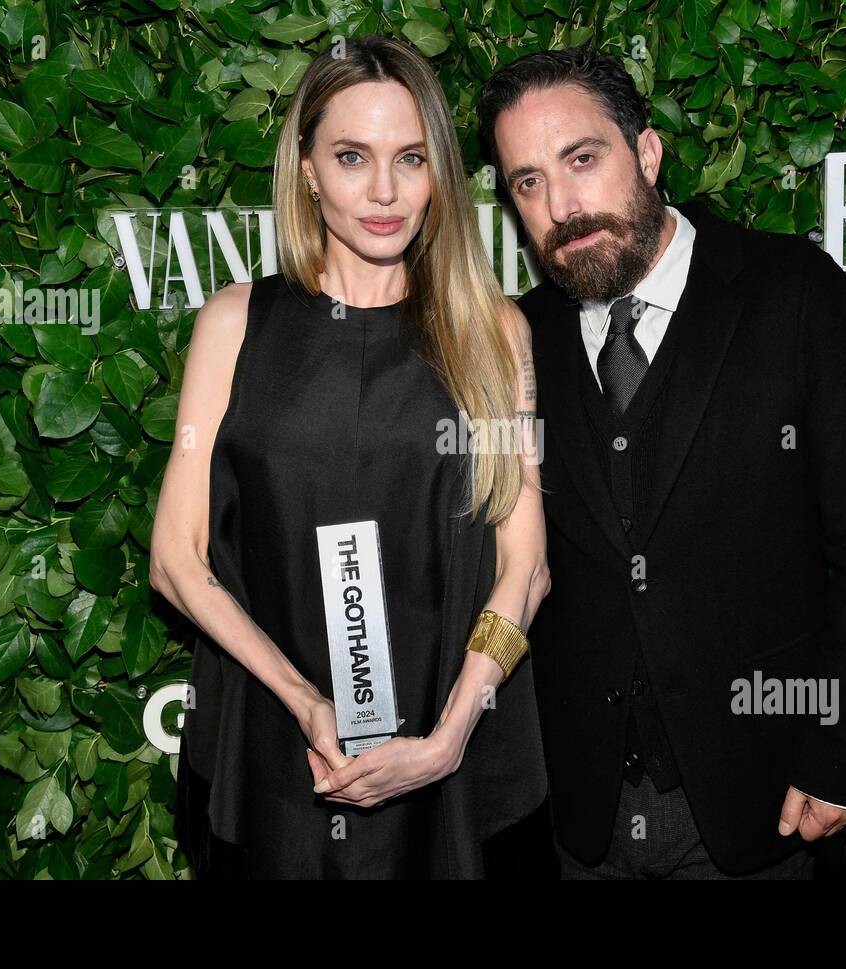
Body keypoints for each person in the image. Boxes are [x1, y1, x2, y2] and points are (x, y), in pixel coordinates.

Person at [476, 45, 846, 879]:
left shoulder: (793, 290)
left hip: (761, 800)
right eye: (528, 182)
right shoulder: (517, 337)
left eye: (583, 159)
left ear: (646, 153)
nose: (563, 206)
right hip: (581, 817)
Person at [150, 34, 549, 879]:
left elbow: (526, 566)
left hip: (455, 757)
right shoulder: (233, 323)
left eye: (410, 158)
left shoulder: (495, 332)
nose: (382, 191)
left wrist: (446, 740)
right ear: (305, 168)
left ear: (440, 171)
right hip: (276, 752)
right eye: (350, 156)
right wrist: (302, 701)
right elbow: (176, 562)